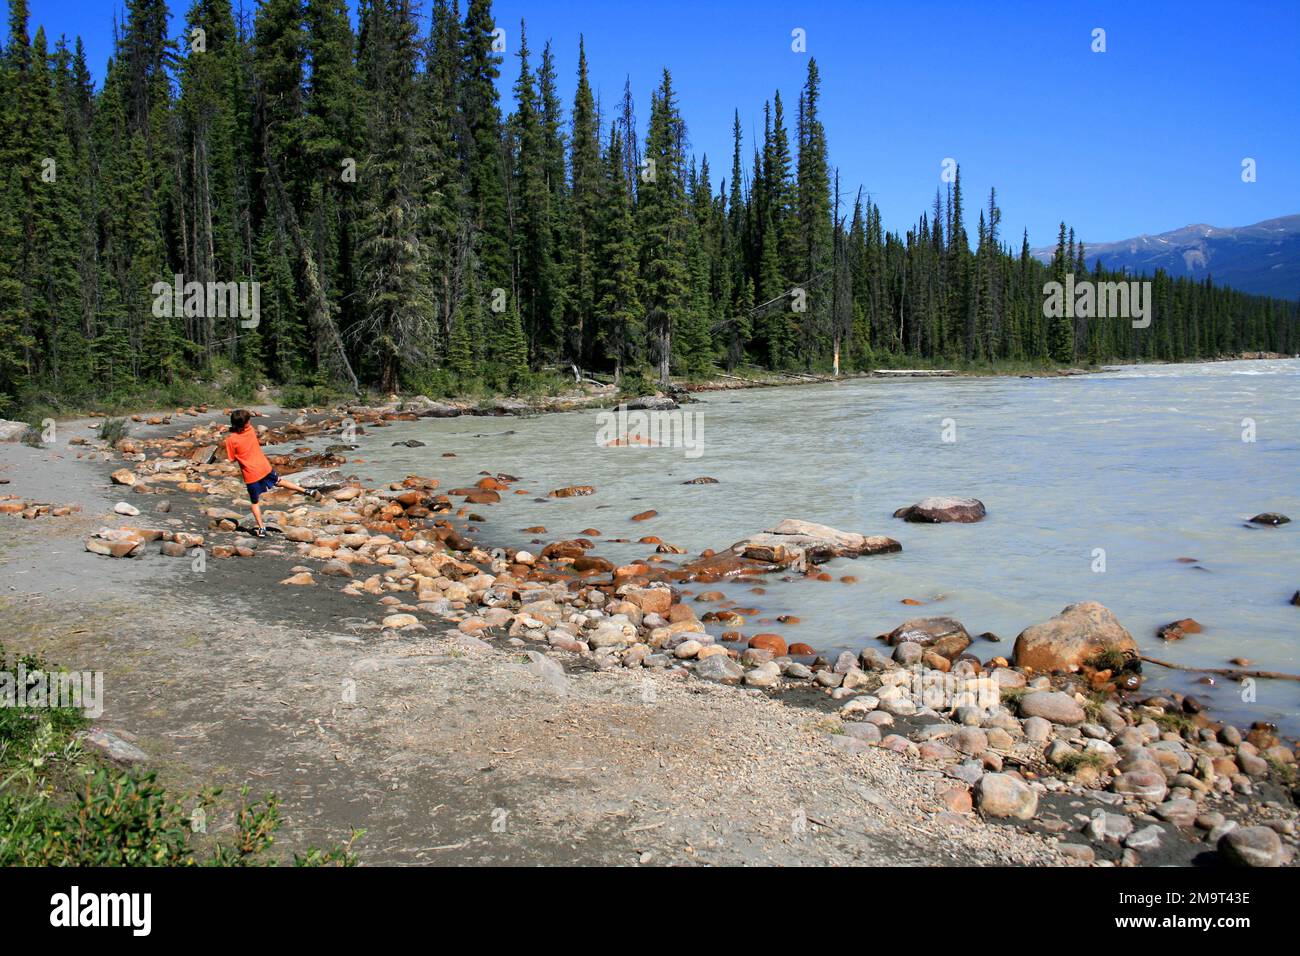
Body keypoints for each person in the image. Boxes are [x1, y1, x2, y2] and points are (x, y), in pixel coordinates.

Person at [223, 409, 318, 537]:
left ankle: (262, 529)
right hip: (264, 468)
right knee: (279, 481)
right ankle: (306, 491)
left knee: (255, 502)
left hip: (250, 474)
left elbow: (232, 458)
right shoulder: (250, 431)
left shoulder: (231, 440)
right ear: (246, 423)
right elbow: (245, 427)